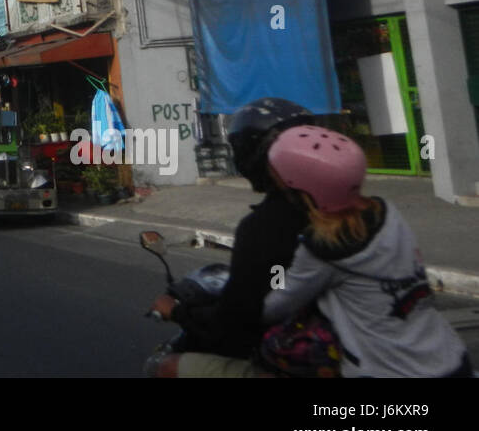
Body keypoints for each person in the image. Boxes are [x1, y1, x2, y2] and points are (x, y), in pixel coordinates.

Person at [262, 125, 473, 378]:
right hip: (450, 358)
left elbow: (276, 306)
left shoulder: (324, 250)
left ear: (303, 192)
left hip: (388, 371)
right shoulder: (386, 212)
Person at [146, 97, 314, 378]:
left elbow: (235, 325)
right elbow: (279, 281)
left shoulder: (266, 225)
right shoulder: (357, 211)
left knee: (164, 368)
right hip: (362, 351)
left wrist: (176, 312)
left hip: (304, 361)